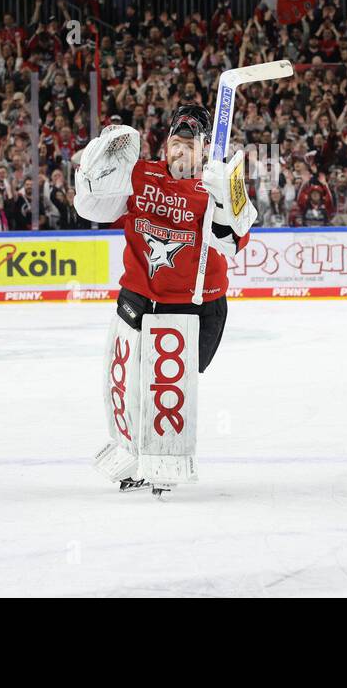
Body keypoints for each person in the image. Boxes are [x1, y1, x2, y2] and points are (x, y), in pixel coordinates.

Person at [73, 103, 256, 496]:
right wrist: (96, 165)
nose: (180, 151)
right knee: (123, 380)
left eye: (190, 145)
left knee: (168, 385)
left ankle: (165, 457)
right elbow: (91, 207)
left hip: (195, 304)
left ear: (205, 150)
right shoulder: (140, 175)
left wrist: (227, 198)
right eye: (175, 142)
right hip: (137, 297)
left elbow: (232, 242)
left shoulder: (216, 184)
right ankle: (130, 452)